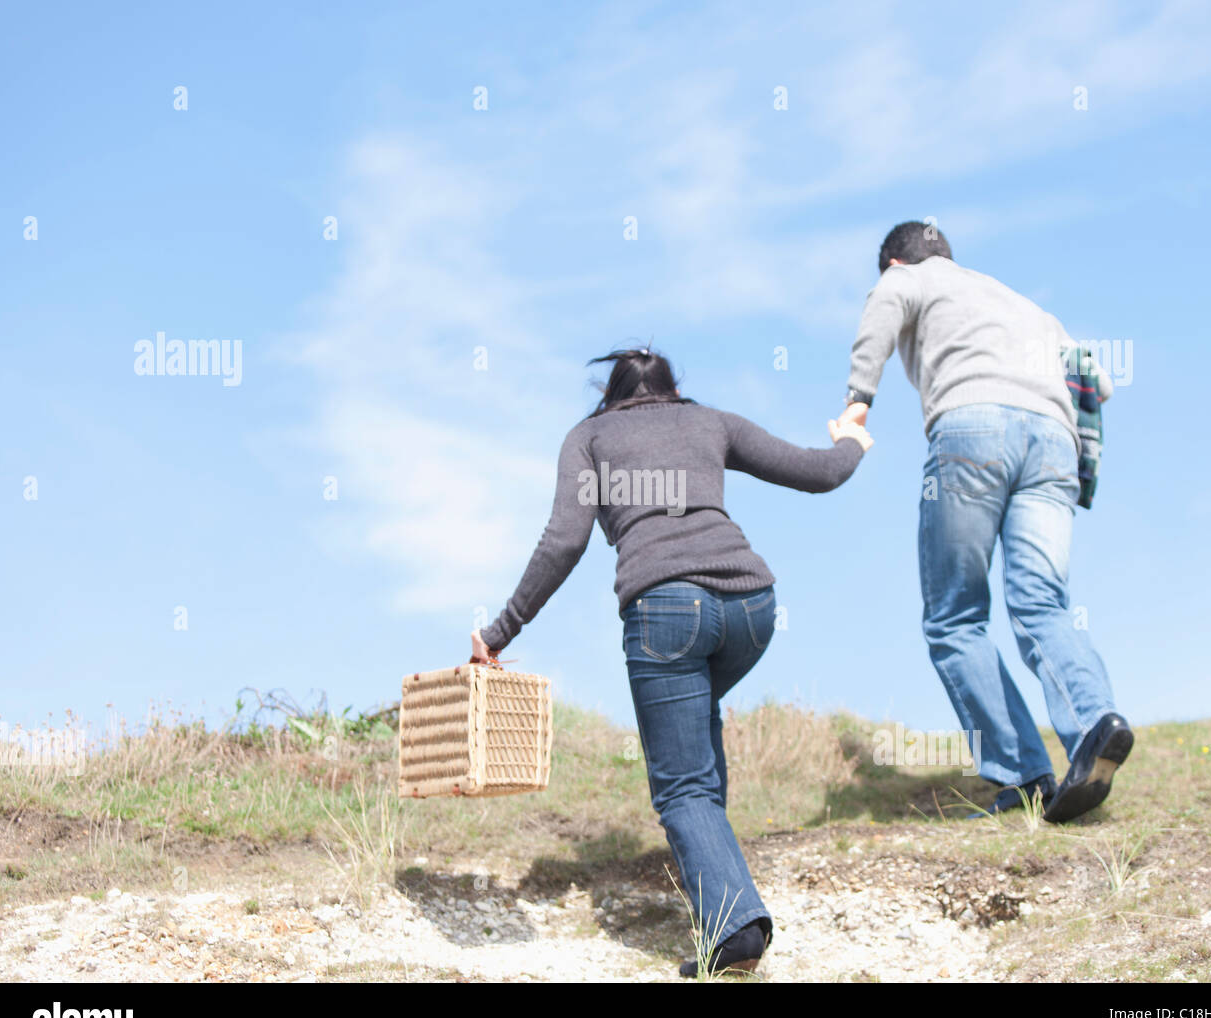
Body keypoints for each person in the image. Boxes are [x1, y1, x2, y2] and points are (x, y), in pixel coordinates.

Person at [472, 345, 873, 975]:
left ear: (611, 394)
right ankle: (724, 902)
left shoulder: (590, 436)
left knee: (682, 782)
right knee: (697, 751)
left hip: (666, 612)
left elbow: (564, 539)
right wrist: (851, 439)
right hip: (752, 607)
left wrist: (500, 631)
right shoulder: (709, 421)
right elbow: (821, 472)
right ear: (670, 388)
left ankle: (736, 932)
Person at [841, 222, 1131, 823]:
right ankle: (1094, 725)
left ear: (897, 261)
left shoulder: (907, 280)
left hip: (972, 428)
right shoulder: (1021, 302)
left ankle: (1022, 777)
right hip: (1055, 443)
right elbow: (1096, 379)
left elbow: (883, 312)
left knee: (954, 618)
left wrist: (857, 401)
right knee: (1042, 603)